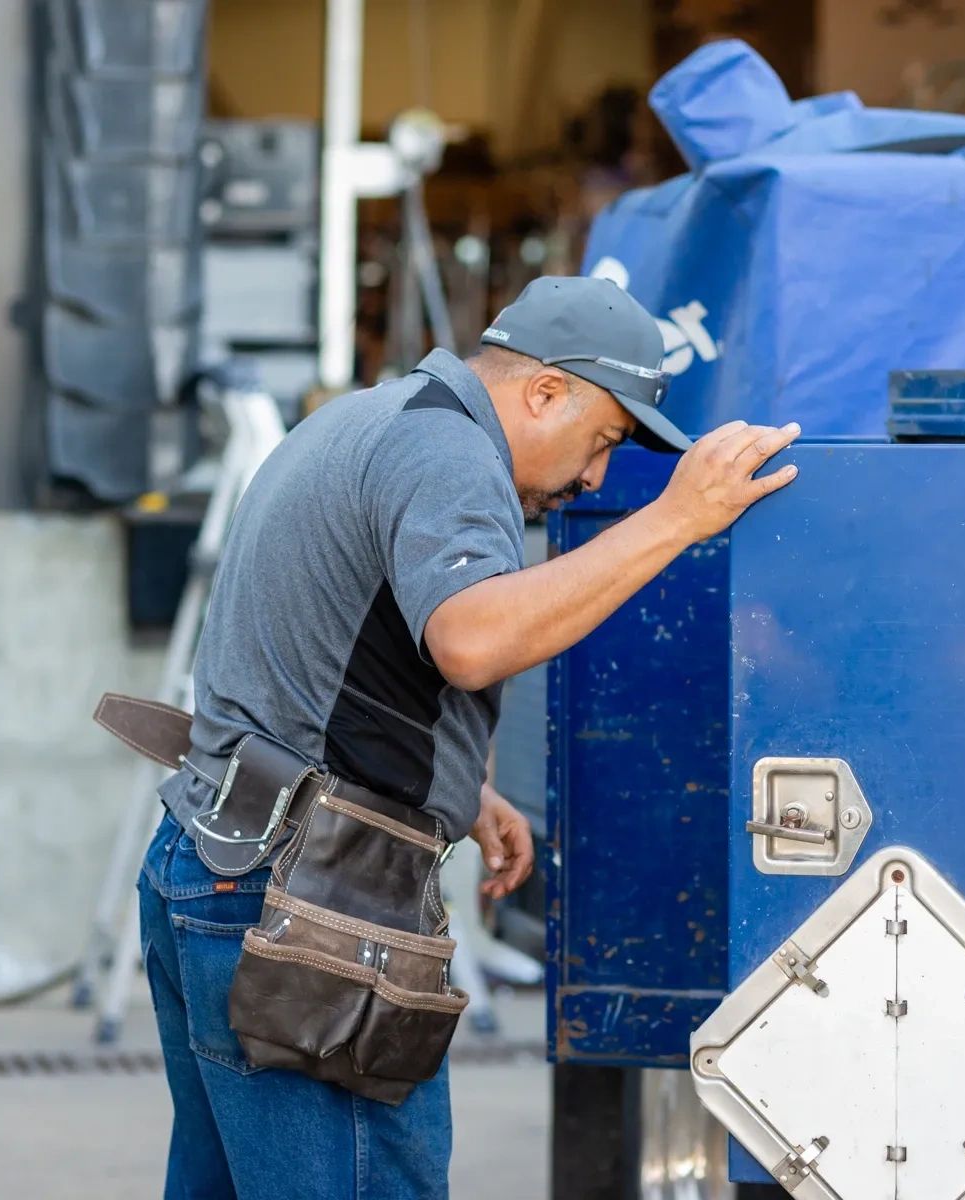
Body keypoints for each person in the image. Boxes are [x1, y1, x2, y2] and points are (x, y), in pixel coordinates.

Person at [136, 275, 800, 1198]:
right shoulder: (448, 452)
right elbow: (472, 638)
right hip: (303, 899)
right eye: (603, 440)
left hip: (218, 860)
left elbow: (325, 650)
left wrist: (458, 785)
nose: (597, 477)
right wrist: (677, 519)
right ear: (543, 391)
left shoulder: (373, 417)